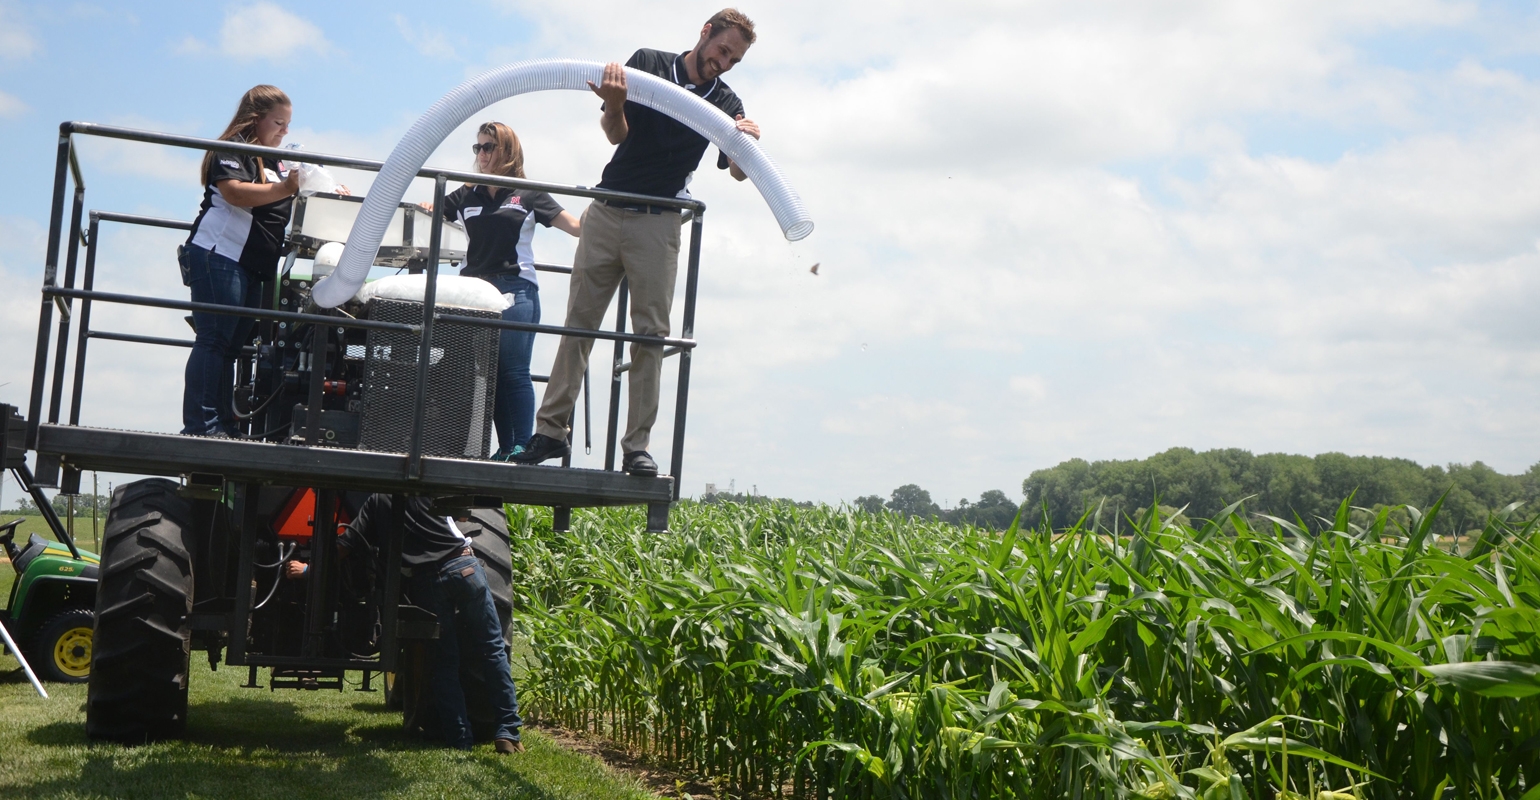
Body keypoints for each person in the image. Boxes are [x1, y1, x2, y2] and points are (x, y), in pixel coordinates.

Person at [514, 8, 762, 476]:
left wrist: (747, 140)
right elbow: (615, 135)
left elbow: (738, 171)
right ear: (704, 33)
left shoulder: (726, 100)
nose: (724, 63)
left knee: (650, 334)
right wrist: (612, 103)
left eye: (734, 59)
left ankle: (636, 447)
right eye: (723, 50)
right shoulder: (647, 63)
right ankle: (549, 432)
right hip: (607, 210)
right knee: (579, 324)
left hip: (660, 221)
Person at [285, 494, 524, 753]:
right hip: (465, 566)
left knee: (445, 663)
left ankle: (460, 739)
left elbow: (345, 546)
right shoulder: (427, 489)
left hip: (430, 582)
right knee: (492, 649)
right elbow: (463, 516)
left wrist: (309, 570)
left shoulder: (376, 501)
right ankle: (508, 732)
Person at [426, 122, 580, 460]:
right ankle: (507, 446)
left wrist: (608, 218)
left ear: (507, 151)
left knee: (512, 369)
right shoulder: (468, 193)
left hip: (516, 288)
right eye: (477, 148)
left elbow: (576, 227)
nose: (481, 155)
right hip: (474, 292)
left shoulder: (529, 193)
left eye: (488, 147)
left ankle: (522, 445)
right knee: (488, 372)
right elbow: (431, 214)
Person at [180, 85, 301, 437]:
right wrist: (286, 189)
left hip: (252, 265)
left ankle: (222, 422)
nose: (284, 131)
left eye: (288, 124)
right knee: (214, 340)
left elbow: (291, 191)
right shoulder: (234, 149)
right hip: (220, 256)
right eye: (278, 122)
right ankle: (202, 425)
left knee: (231, 347)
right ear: (256, 119)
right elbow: (234, 191)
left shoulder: (278, 161)